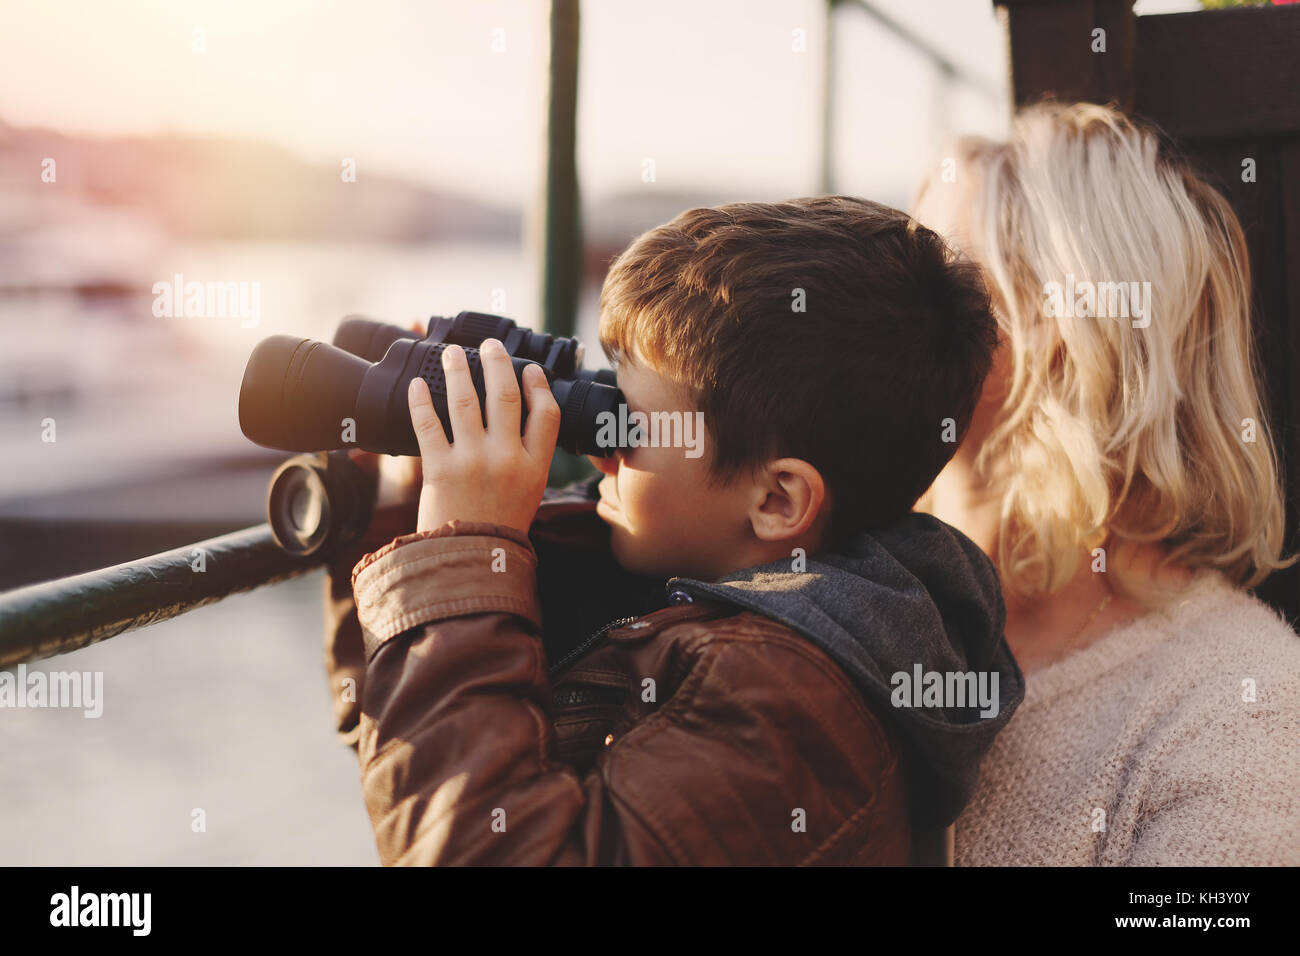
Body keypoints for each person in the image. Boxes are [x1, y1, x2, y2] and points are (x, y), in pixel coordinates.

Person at [322, 196, 1023, 865]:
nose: (599, 453)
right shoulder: (750, 602)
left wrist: (465, 547)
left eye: (628, 425)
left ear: (777, 500)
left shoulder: (783, 701)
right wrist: (405, 514)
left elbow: (468, 836)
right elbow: (410, 759)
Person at [911, 101, 1300, 865]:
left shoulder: (1242, 709)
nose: (877, 310)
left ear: (1065, 332)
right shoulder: (845, 600)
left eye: (935, 275)